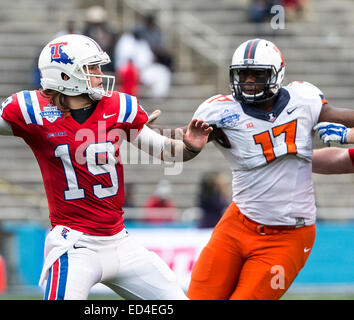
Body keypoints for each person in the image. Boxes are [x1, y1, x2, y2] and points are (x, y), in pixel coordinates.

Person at [0, 34, 212, 300]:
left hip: (120, 241)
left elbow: (167, 151)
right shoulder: (34, 111)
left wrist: (189, 146)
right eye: (91, 68)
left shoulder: (119, 106)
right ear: (64, 76)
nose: (99, 74)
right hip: (75, 244)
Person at [152, 38, 354, 299]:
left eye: (257, 74)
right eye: (242, 75)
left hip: (287, 236)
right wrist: (139, 132)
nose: (248, 82)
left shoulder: (304, 100)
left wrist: (349, 136)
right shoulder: (221, 111)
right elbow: (181, 141)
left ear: (276, 73)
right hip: (237, 224)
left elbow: (345, 125)